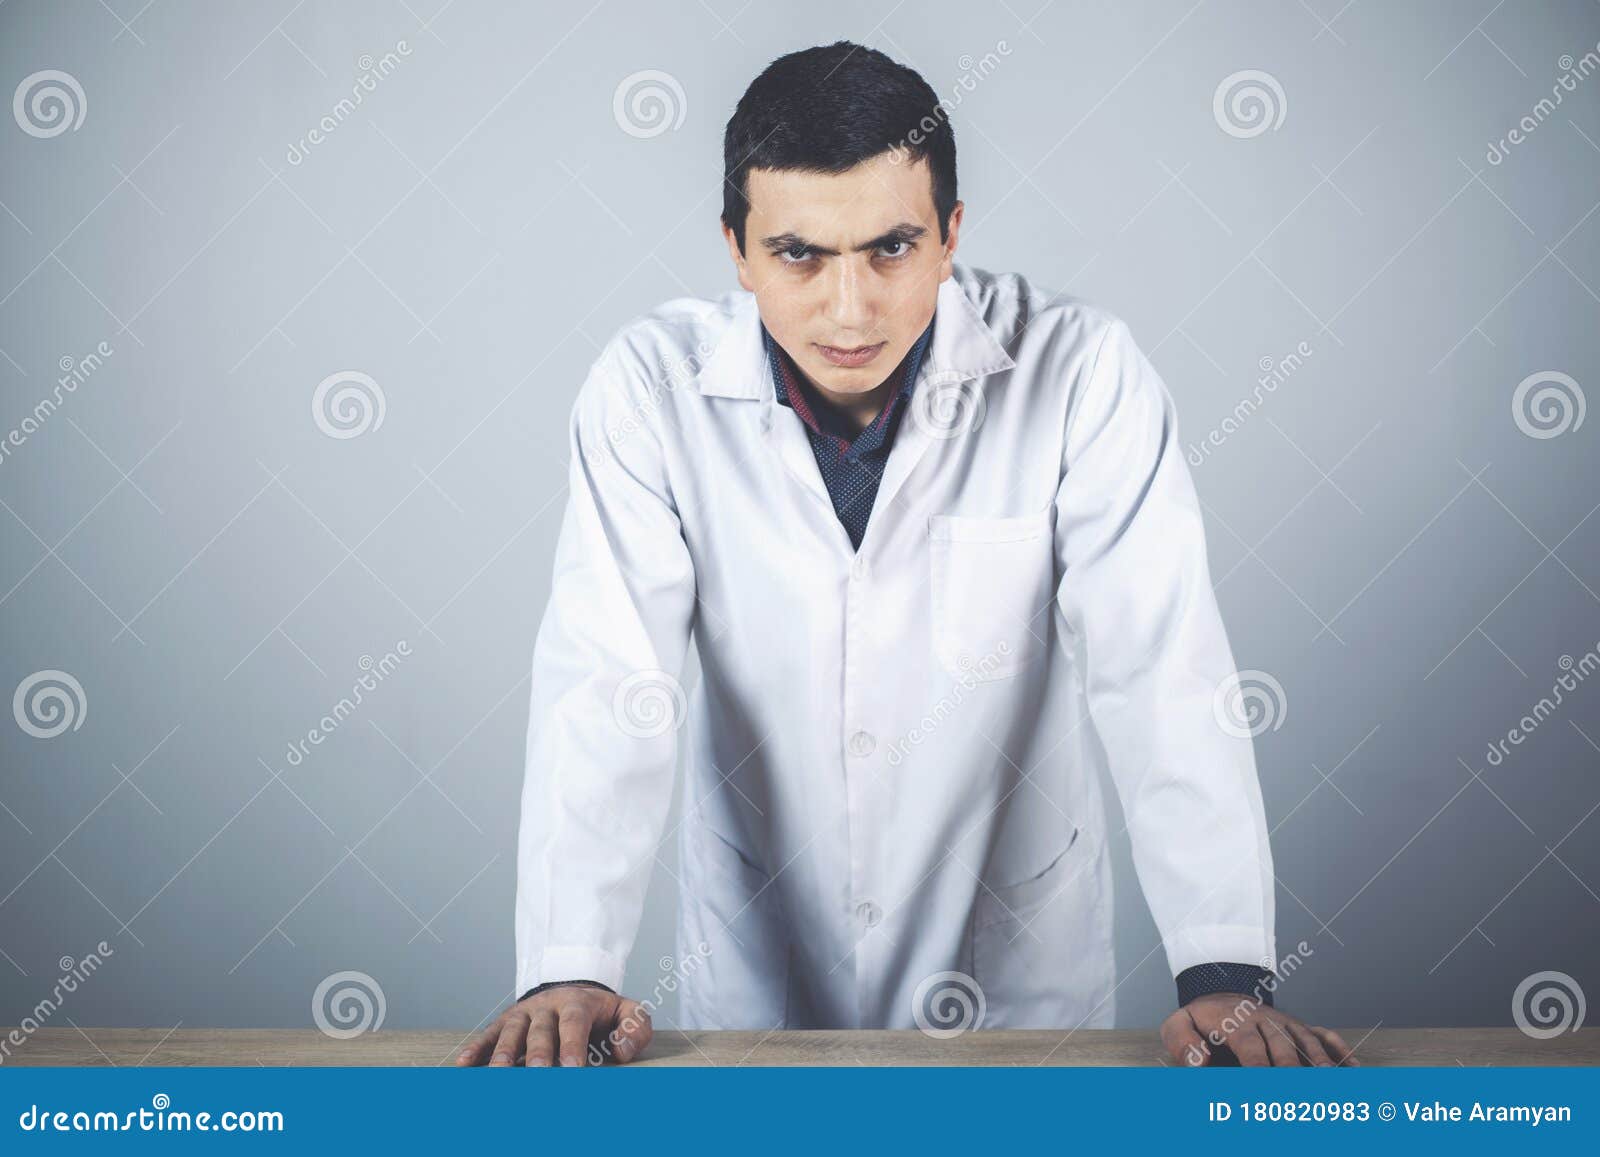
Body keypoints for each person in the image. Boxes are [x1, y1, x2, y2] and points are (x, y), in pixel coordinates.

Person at [457, 41, 1356, 1069]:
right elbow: (607, 679)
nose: (850, 308)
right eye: (798, 253)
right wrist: (570, 959)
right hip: (757, 985)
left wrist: (1222, 969)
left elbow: (1160, 665)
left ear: (949, 236)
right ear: (735, 249)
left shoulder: (1080, 373)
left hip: (1016, 994)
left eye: (890, 247)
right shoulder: (648, 390)